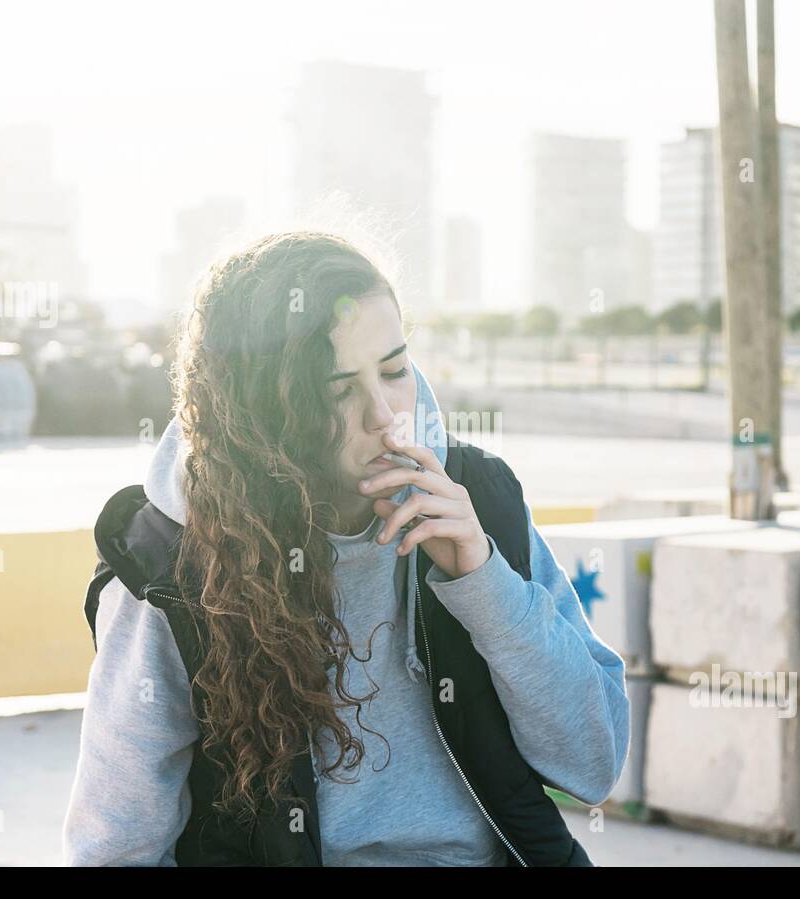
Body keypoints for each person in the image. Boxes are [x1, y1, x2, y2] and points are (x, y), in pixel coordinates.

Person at [62, 230, 630, 866]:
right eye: (338, 392)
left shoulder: (479, 500)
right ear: (261, 417)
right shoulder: (170, 563)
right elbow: (115, 849)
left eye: (394, 371)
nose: (385, 416)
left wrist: (485, 582)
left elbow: (594, 763)